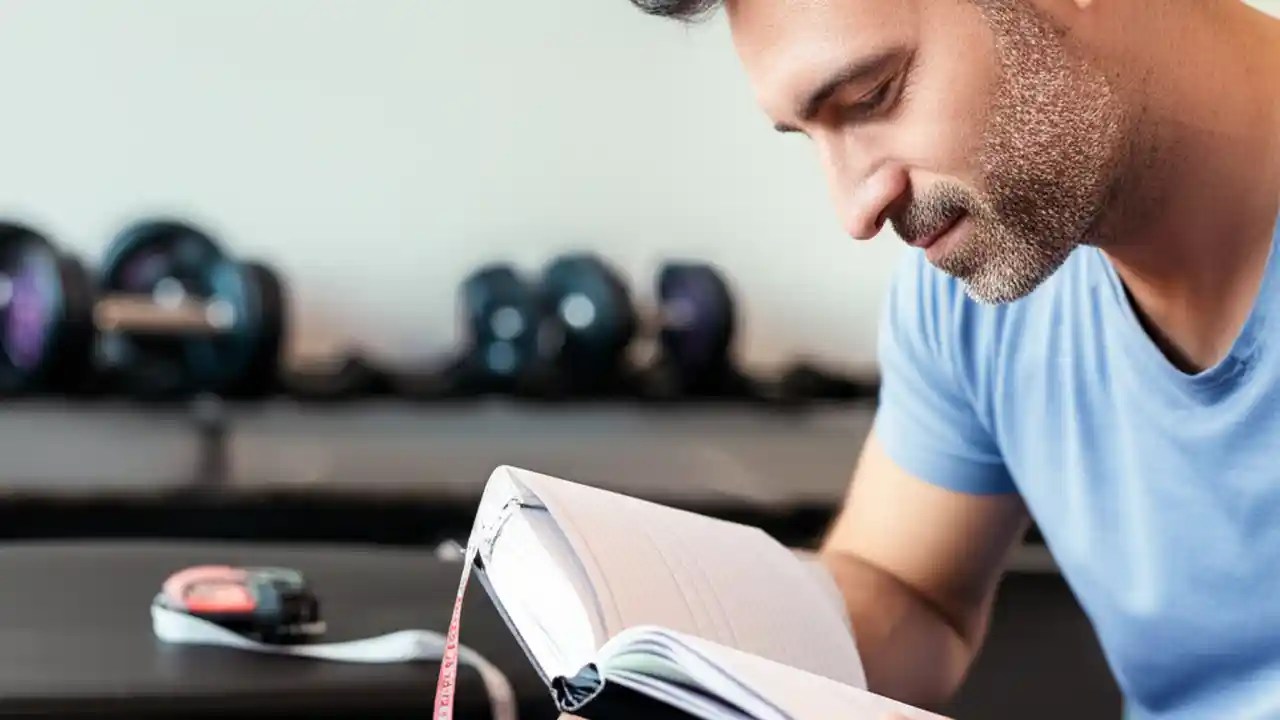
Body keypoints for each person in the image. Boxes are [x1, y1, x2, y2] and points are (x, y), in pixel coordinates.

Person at [624, 1, 1280, 718]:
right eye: (808, 136)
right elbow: (911, 592)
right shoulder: (973, 294)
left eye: (872, 95)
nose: (855, 212)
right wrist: (675, 672)